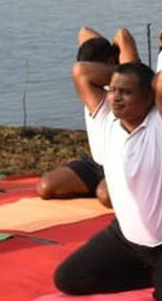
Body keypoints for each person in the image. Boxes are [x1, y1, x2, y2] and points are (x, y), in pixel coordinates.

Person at [53, 27, 162, 301]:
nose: (115, 98)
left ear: (149, 97)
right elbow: (81, 71)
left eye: (126, 92)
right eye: (112, 90)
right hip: (127, 239)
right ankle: (158, 274)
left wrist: (141, 77)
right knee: (68, 278)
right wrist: (120, 75)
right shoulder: (106, 119)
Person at [36, 29, 118, 206]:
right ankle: (99, 186)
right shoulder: (93, 90)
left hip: (122, 167)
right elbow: (84, 32)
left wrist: (119, 66)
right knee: (45, 187)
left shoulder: (127, 87)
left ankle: (116, 188)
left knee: (105, 195)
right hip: (96, 165)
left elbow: (123, 36)